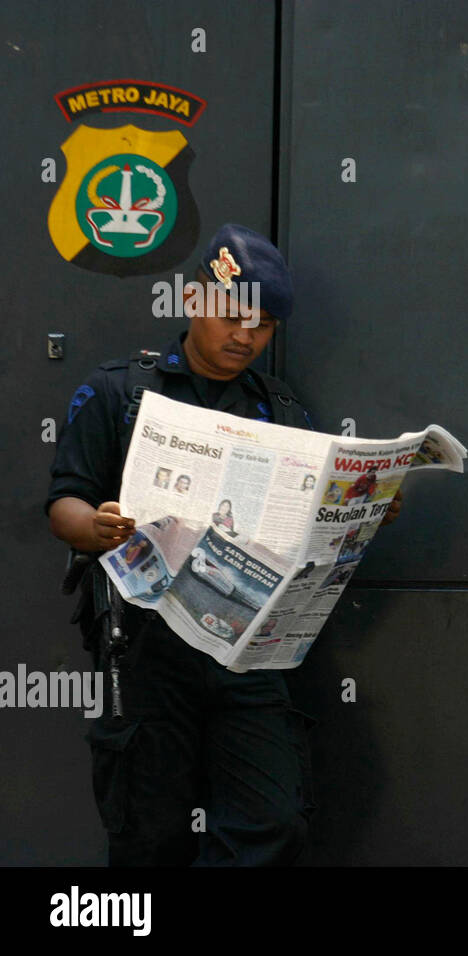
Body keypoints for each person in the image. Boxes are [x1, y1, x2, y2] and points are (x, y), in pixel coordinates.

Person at [47, 223, 400, 867]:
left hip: (250, 656)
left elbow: (310, 531)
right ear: (194, 303)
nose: (245, 335)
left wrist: (365, 511)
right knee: (148, 834)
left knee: (274, 822)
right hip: (149, 650)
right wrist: (95, 525)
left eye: (262, 325)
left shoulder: (281, 408)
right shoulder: (120, 391)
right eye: (233, 316)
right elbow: (63, 502)